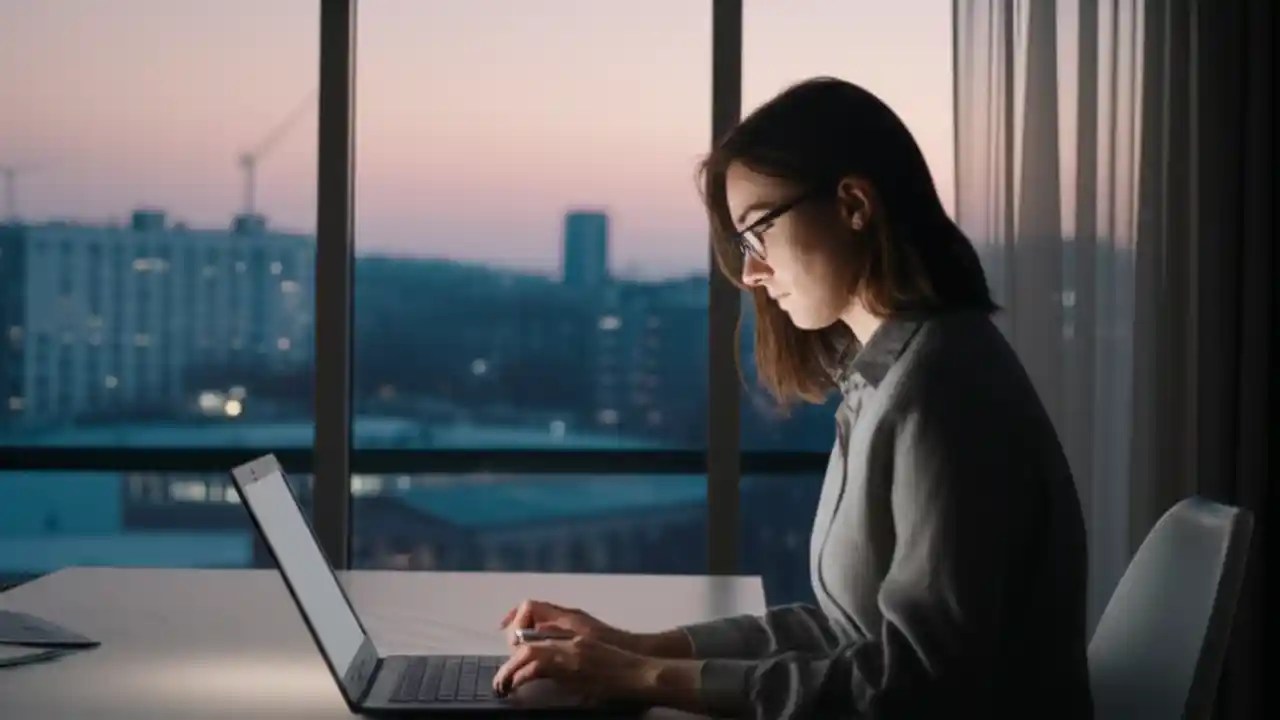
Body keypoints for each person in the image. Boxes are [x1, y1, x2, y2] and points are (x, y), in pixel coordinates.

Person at [491, 77, 1093, 719]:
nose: (750, 272)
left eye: (759, 232)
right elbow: (846, 631)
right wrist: (634, 650)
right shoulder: (892, 377)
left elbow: (919, 684)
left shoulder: (941, 391)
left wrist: (644, 677)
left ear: (854, 204)